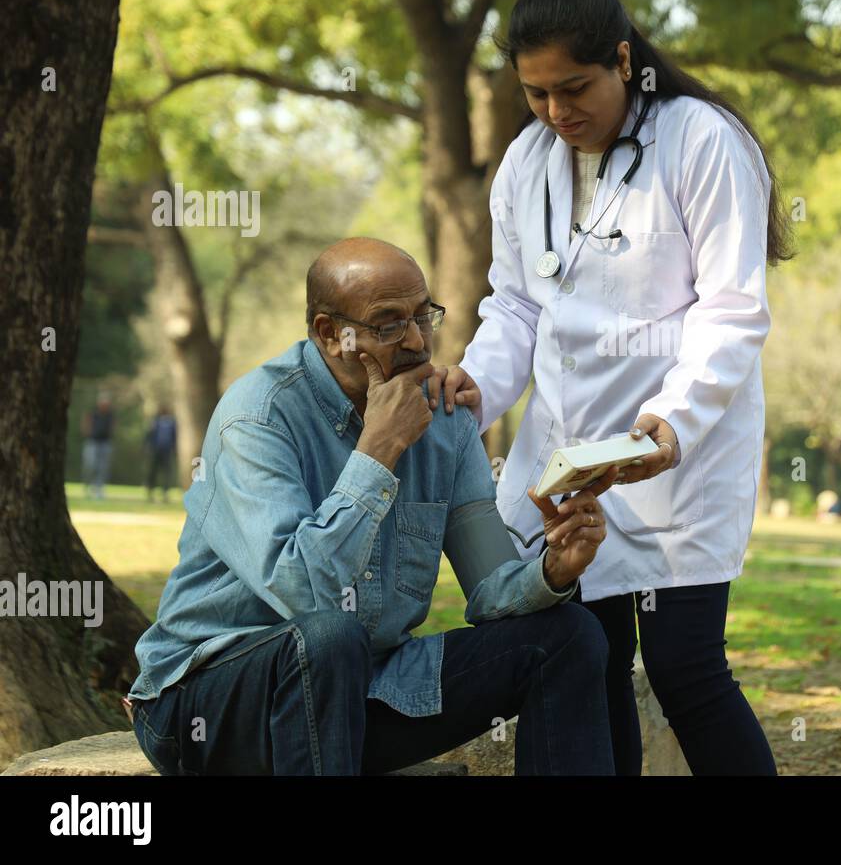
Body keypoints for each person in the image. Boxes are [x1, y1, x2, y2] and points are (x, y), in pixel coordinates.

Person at [433, 0, 795, 775]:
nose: (557, 113)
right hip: (568, 456)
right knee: (586, 666)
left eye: (575, 87)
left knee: (685, 670)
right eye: (536, 94)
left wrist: (674, 422)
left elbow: (732, 309)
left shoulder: (703, 141)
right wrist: (477, 386)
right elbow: (517, 307)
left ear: (625, 61)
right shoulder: (525, 164)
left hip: (676, 456)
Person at [124, 238, 619, 775]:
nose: (414, 340)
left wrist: (552, 569)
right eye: (388, 324)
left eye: (422, 317)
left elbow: (490, 588)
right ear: (329, 333)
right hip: (208, 704)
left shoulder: (445, 418)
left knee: (569, 634)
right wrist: (378, 450)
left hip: (364, 692)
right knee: (329, 639)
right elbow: (304, 594)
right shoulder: (258, 417)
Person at [81, 392, 114, 500]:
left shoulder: (110, 415)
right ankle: (88, 486)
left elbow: (112, 428)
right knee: (90, 465)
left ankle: (99, 489)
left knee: (102, 468)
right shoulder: (93, 414)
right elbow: (85, 425)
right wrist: (88, 433)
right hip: (92, 442)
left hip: (105, 443)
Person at [143, 403, 177, 502]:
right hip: (156, 449)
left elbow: (174, 437)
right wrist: (147, 446)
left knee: (166, 472)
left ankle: (165, 492)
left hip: (166, 450)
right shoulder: (155, 422)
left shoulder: (171, 423)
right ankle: (150, 491)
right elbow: (149, 435)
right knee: (153, 472)